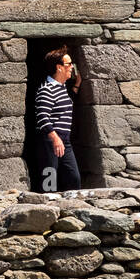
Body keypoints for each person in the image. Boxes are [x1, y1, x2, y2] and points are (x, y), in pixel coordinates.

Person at [35, 47, 83, 193]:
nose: (72, 68)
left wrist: (76, 85)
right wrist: (55, 139)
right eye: (69, 64)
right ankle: (46, 210)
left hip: (64, 141)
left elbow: (65, 105)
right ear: (59, 67)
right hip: (50, 142)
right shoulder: (46, 89)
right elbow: (42, 117)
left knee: (73, 179)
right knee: (49, 181)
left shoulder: (62, 88)